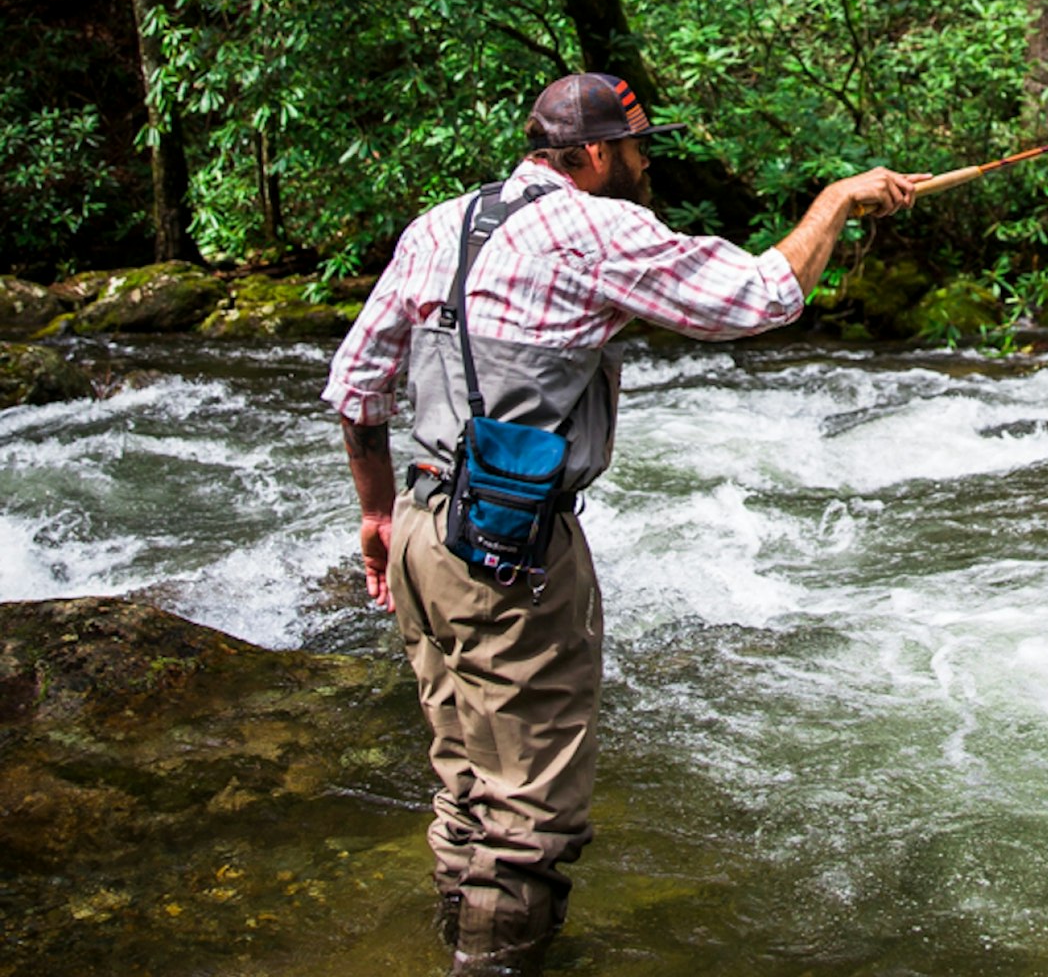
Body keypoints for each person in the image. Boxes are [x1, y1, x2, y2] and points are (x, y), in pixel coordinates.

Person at [322, 73, 919, 975]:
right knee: (529, 814)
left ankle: (459, 944)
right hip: (509, 547)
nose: (647, 164)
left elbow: (358, 385)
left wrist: (374, 514)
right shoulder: (598, 227)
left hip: (419, 521)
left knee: (466, 783)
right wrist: (836, 200)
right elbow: (760, 299)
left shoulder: (441, 223)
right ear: (597, 154)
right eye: (640, 147)